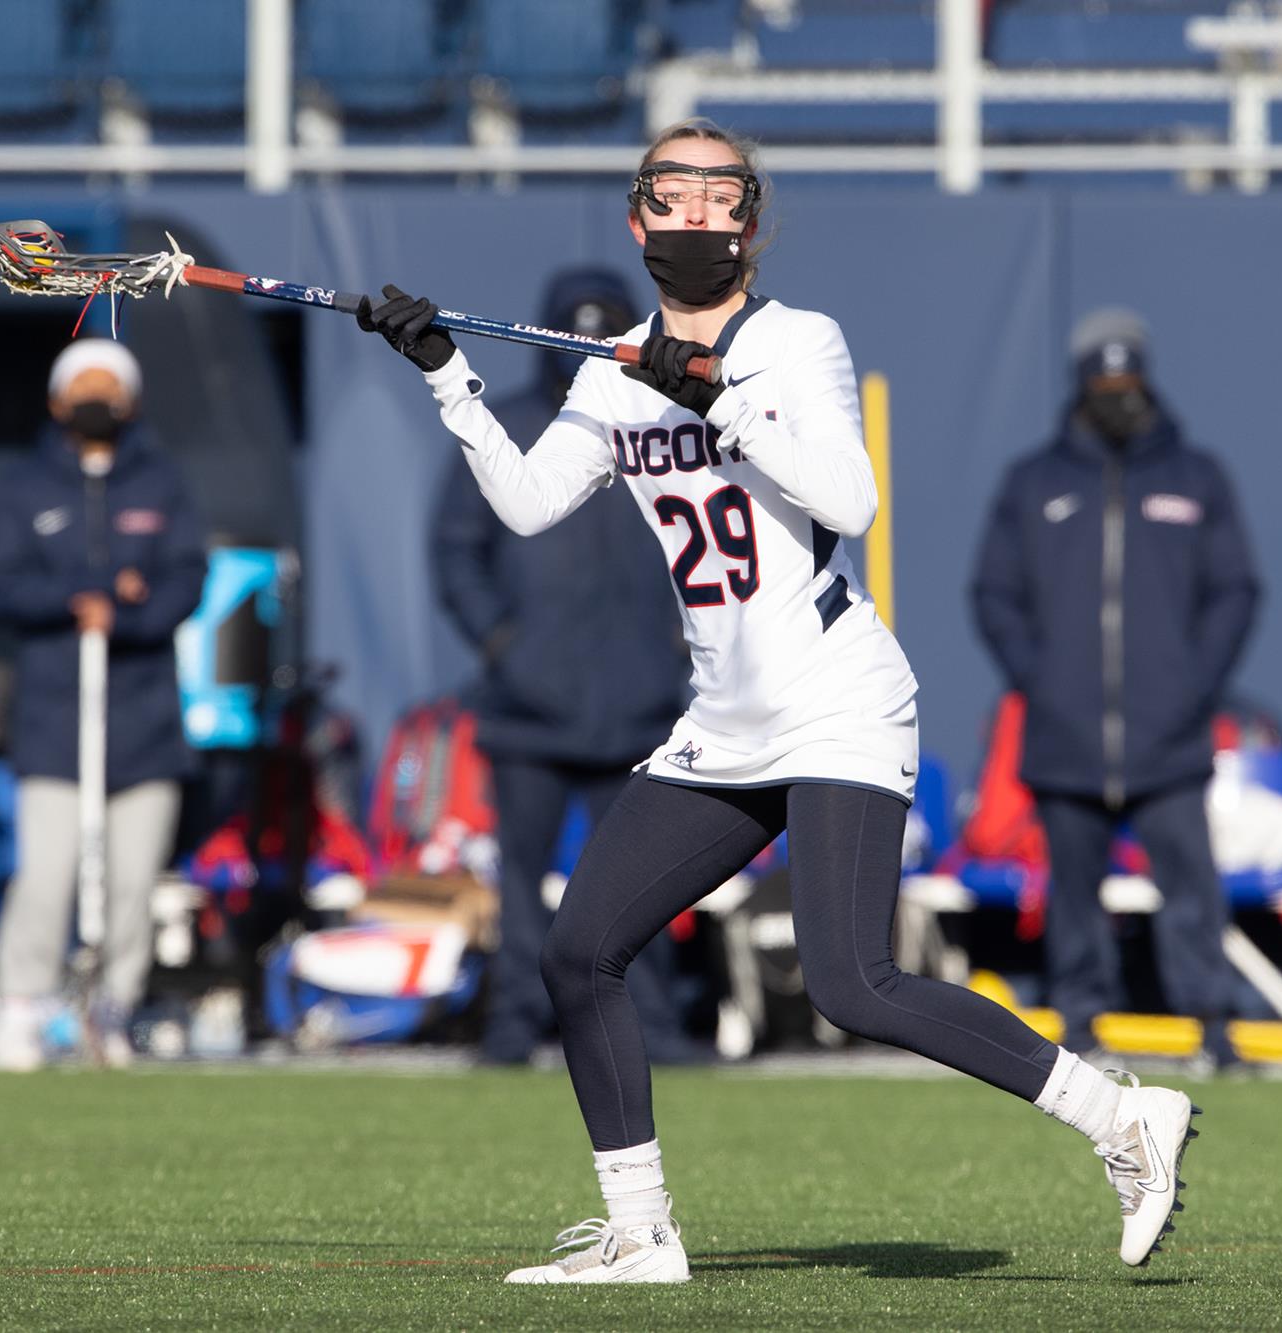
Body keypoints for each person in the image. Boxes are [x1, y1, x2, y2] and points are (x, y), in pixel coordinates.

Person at [359, 118, 1199, 1285]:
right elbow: (528, 504)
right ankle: (640, 1234)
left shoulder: (798, 341)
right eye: (672, 193)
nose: (695, 214)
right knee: (579, 951)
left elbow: (850, 501)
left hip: (835, 695)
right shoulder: (611, 373)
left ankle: (1120, 1116)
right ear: (638, 218)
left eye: (720, 195)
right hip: (723, 720)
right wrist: (447, 379)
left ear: (748, 223)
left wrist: (715, 397)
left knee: (851, 982)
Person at [972, 309, 1260, 1076]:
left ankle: (1212, 1026)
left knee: (1191, 889)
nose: (1117, 394)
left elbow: (1234, 590)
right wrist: (1040, 680)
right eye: (1103, 382)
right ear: (1079, 383)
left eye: (1128, 377)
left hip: (1169, 736)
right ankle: (1079, 1027)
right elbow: (994, 594)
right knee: (1072, 894)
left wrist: (1195, 682)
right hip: (1065, 735)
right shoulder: (1035, 481)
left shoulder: (1195, 477)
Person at [428, 267, 699, 1067]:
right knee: (520, 882)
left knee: (643, 882)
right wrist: (503, 643)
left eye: (602, 333)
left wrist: (680, 640)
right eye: (570, 333)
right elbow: (456, 552)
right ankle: (513, 1026)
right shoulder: (505, 428)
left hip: (640, 705)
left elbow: (711, 539)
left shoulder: (666, 429)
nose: (583, 349)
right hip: (528, 708)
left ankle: (654, 1028)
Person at [0, 339, 206, 1071]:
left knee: (133, 882)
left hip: (143, 722)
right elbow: (5, 579)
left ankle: (111, 1006)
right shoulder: (25, 487)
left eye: (111, 390)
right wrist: (84, 598)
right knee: (45, 876)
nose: (97, 402)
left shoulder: (161, 484)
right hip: (54, 720)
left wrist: (128, 615)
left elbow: (185, 578)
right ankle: (22, 1006)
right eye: (84, 389)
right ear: (57, 402)